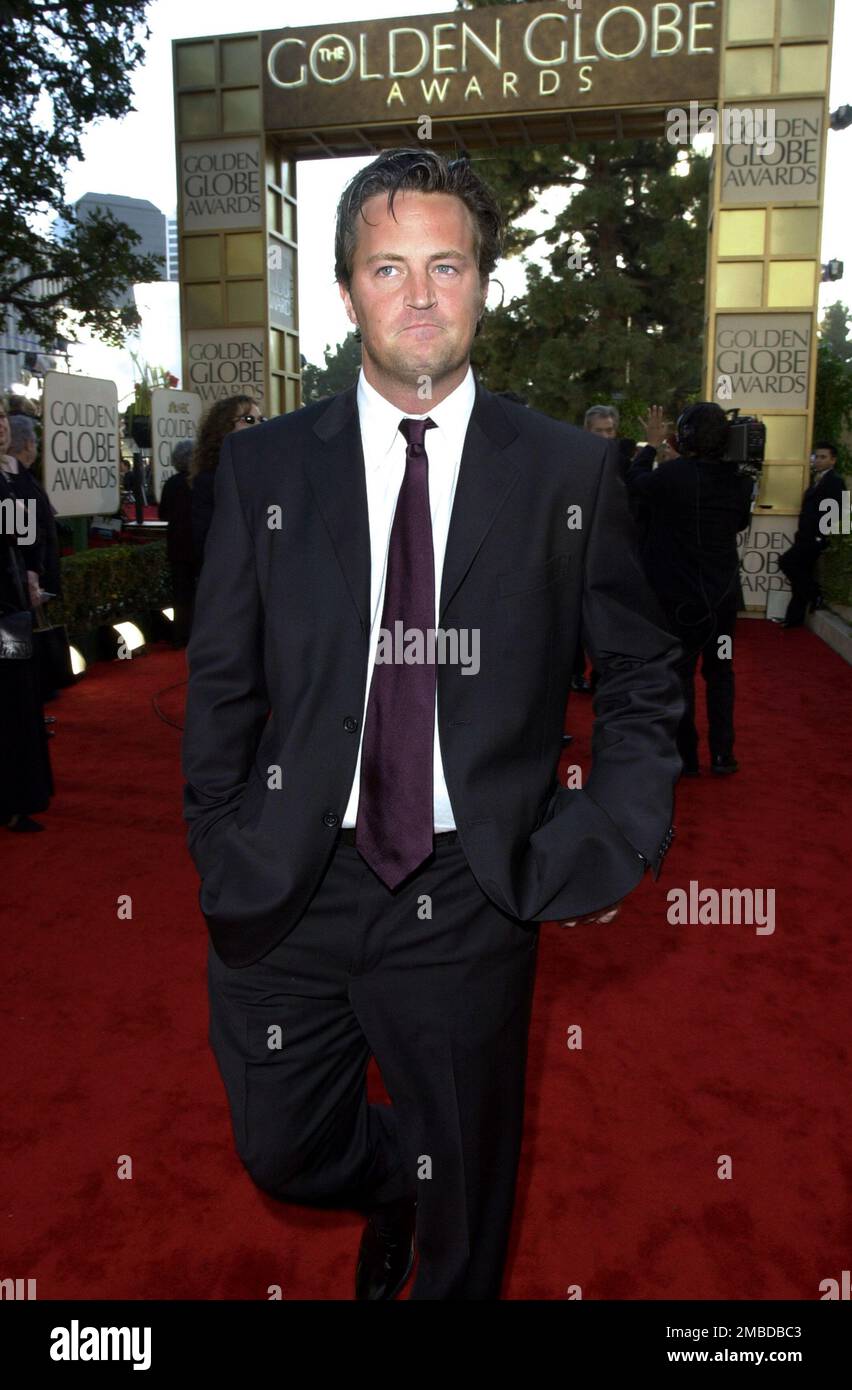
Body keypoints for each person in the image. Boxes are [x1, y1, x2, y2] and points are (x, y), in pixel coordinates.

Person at [182, 148, 683, 1302]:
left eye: (446, 266)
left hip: (467, 886)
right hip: (291, 876)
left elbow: (644, 668)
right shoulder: (262, 468)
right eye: (388, 268)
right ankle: (388, 1183)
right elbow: (222, 681)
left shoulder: (569, 472)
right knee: (283, 1146)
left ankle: (433, 1200)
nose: (418, 294)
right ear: (347, 291)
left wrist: (609, 830)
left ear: (482, 285)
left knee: (467, 1194)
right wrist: (219, 835)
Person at [626, 402, 753, 777]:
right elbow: (739, 522)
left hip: (679, 600)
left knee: (680, 673)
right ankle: (723, 755)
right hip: (722, 601)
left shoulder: (671, 476)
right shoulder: (740, 481)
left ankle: (687, 758)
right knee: (721, 672)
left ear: (685, 436)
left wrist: (651, 445)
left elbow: (634, 482)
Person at [0, 402, 54, 831]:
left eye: (1, 417)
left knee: (17, 695)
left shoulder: (12, 475)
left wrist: (32, 573)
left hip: (11, 611)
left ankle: (16, 800)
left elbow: (24, 534)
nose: (1, 426)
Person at [188, 396, 264, 571]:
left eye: (261, 419)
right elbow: (205, 537)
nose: (258, 425)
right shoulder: (210, 478)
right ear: (224, 427)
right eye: (248, 419)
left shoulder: (270, 470)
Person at [777, 442, 846, 628]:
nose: (818, 460)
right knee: (801, 573)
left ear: (833, 460)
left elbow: (840, 511)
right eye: (816, 456)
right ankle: (793, 619)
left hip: (815, 538)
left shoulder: (835, 481)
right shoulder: (818, 480)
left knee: (787, 562)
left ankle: (815, 594)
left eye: (824, 457)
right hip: (805, 535)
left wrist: (824, 538)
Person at [158, 439, 196, 646]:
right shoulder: (200, 482)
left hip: (176, 544)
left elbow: (162, 513)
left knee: (180, 593)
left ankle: (180, 634)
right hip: (198, 543)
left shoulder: (171, 483)